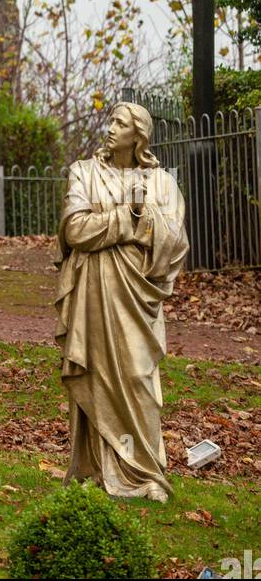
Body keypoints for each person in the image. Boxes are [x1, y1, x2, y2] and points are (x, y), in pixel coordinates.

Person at [55, 101, 189, 502]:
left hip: (138, 296)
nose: (110, 128)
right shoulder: (84, 172)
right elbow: (75, 229)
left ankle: (146, 474)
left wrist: (139, 223)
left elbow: (175, 241)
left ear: (139, 136)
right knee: (96, 373)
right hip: (94, 292)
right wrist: (127, 221)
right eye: (110, 120)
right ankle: (97, 470)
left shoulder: (161, 182)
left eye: (120, 123)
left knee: (136, 377)